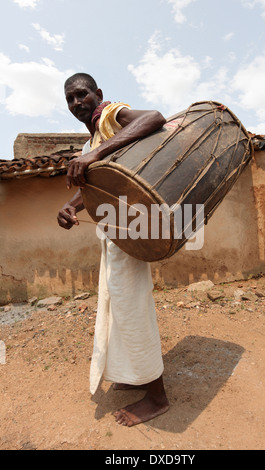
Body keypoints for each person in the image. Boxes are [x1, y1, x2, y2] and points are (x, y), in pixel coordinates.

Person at [57, 73, 169, 427]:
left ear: (97, 94)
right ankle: (131, 373)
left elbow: (155, 117)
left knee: (130, 308)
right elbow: (102, 185)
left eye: (81, 95)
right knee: (116, 305)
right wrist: (72, 206)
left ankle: (157, 397)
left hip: (130, 232)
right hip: (117, 234)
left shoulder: (110, 115)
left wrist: (96, 154)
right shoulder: (95, 137)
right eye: (70, 99)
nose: (77, 103)